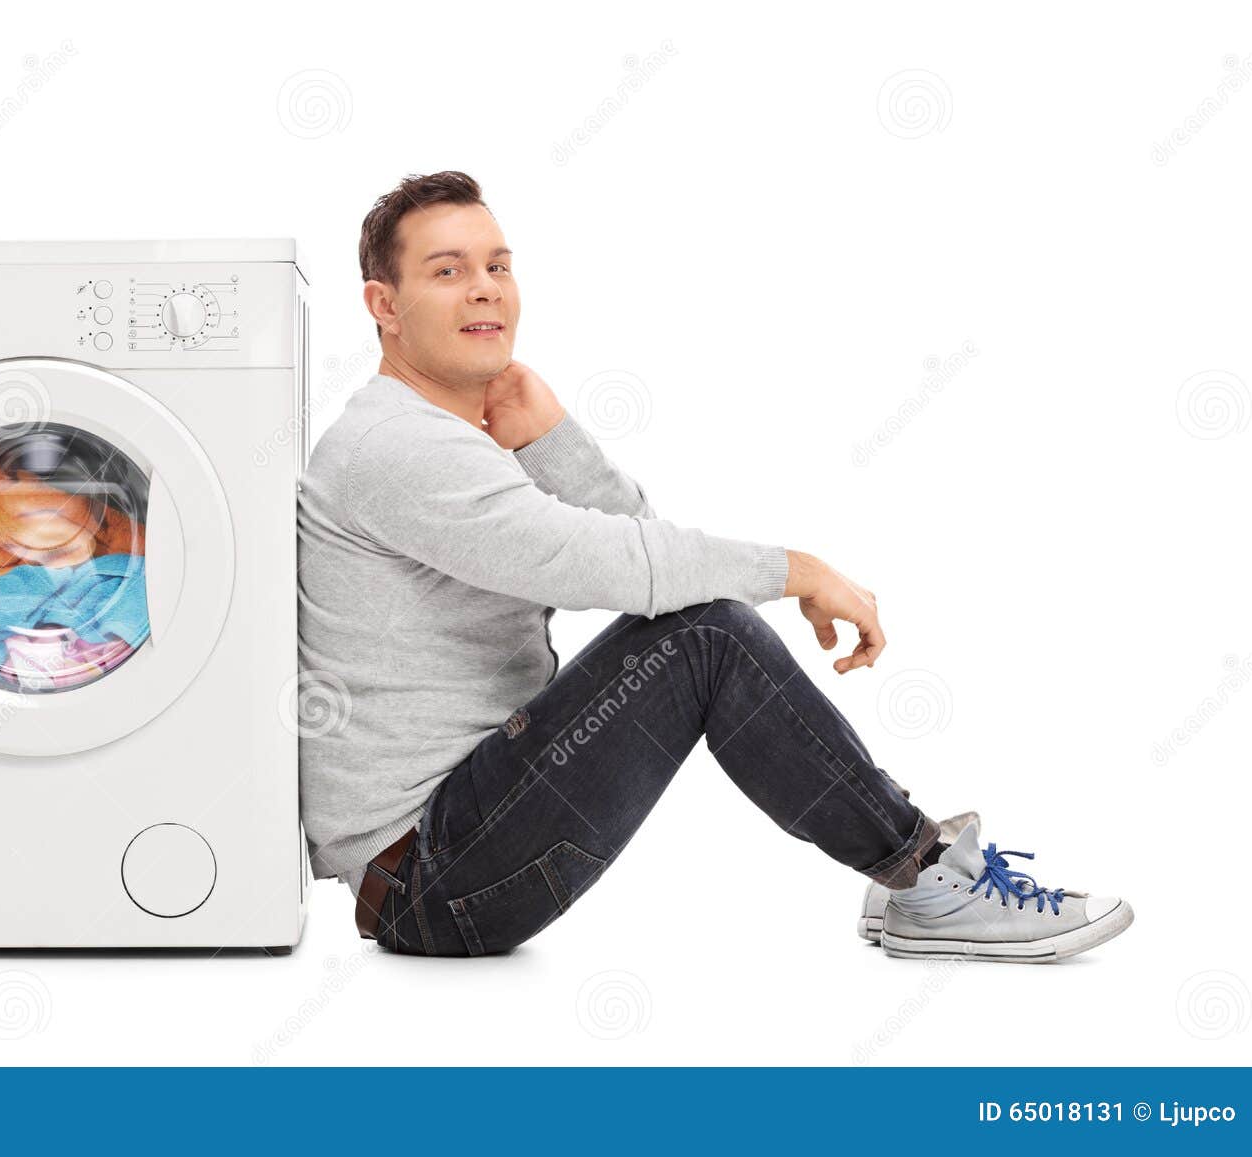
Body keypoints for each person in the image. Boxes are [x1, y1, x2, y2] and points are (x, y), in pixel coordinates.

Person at [295, 170, 1133, 961]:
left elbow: (650, 570)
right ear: (385, 305)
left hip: (463, 843)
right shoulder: (395, 445)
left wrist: (551, 437)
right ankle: (922, 875)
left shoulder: (452, 434)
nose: (485, 287)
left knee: (701, 629)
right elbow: (623, 569)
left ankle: (907, 869)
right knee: (710, 637)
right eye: (448, 270)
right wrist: (800, 569)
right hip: (433, 878)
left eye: (498, 265)